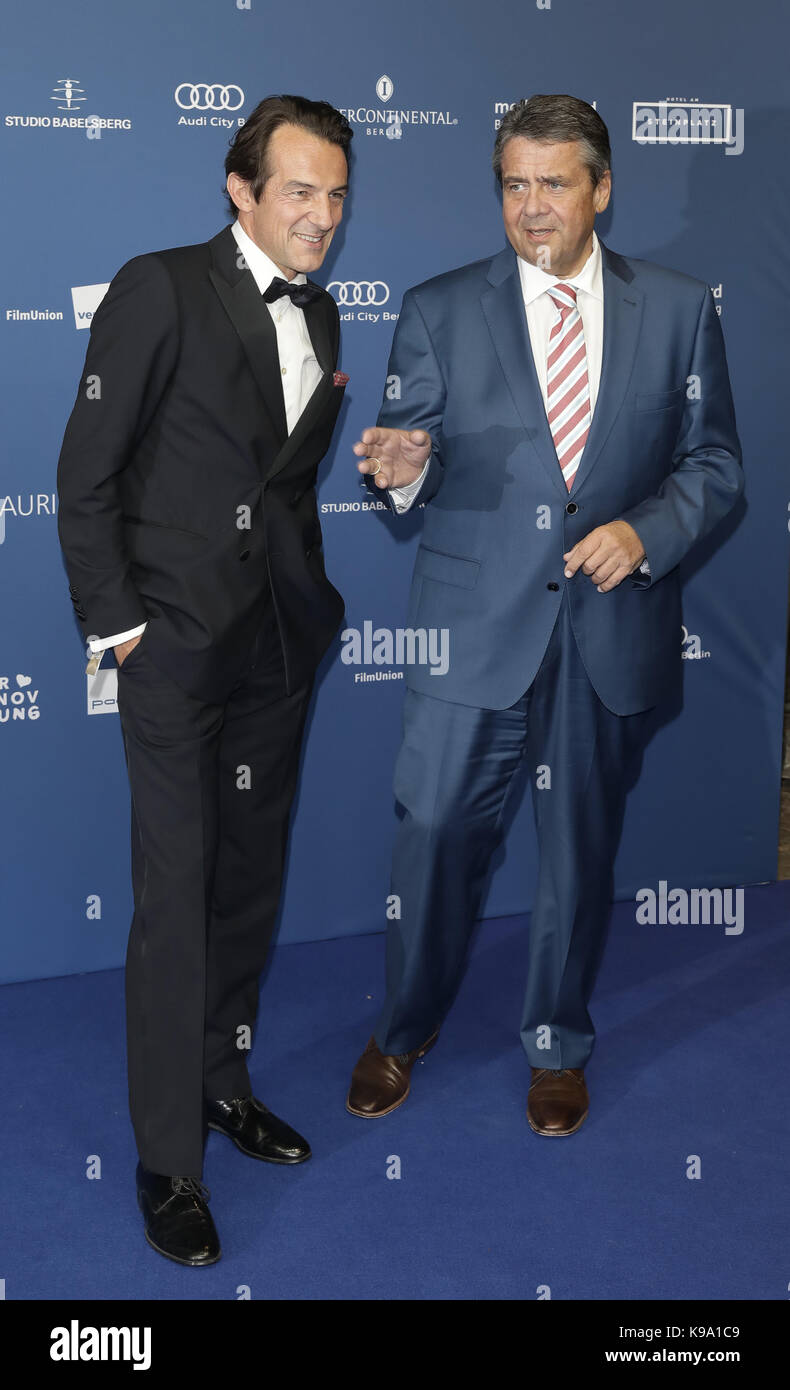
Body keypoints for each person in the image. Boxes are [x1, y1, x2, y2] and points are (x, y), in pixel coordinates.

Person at [348, 94, 742, 1137]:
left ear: (601, 189)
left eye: (552, 183)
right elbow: (413, 456)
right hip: (473, 627)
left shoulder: (677, 305)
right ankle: (403, 1026)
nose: (529, 208)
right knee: (431, 837)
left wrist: (645, 532)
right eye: (513, 184)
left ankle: (556, 1044)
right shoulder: (438, 307)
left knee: (577, 849)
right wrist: (398, 471)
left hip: (606, 629)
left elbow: (715, 464)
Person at [57, 94, 352, 1264]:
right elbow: (86, 476)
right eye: (298, 191)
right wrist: (122, 629)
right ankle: (168, 1157)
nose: (321, 217)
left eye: (336, 195)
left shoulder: (324, 315)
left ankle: (224, 1081)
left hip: (278, 646)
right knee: (175, 900)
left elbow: (282, 482)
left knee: (245, 884)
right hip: (174, 650)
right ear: (240, 190)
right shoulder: (160, 286)